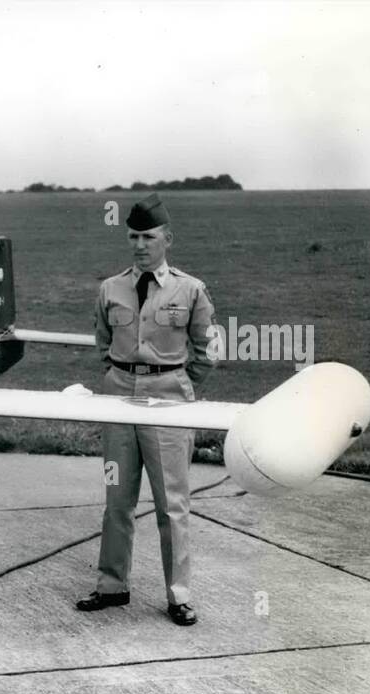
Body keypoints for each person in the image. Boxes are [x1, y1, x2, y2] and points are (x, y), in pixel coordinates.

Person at [77, 193, 218, 626]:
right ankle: (111, 585)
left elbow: (207, 350)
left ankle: (178, 595)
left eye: (149, 236)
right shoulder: (111, 288)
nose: (140, 244)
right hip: (118, 393)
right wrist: (122, 376)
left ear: (167, 239)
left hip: (168, 396)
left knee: (171, 502)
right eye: (133, 236)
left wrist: (179, 385)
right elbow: (103, 345)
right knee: (116, 498)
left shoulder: (190, 289)